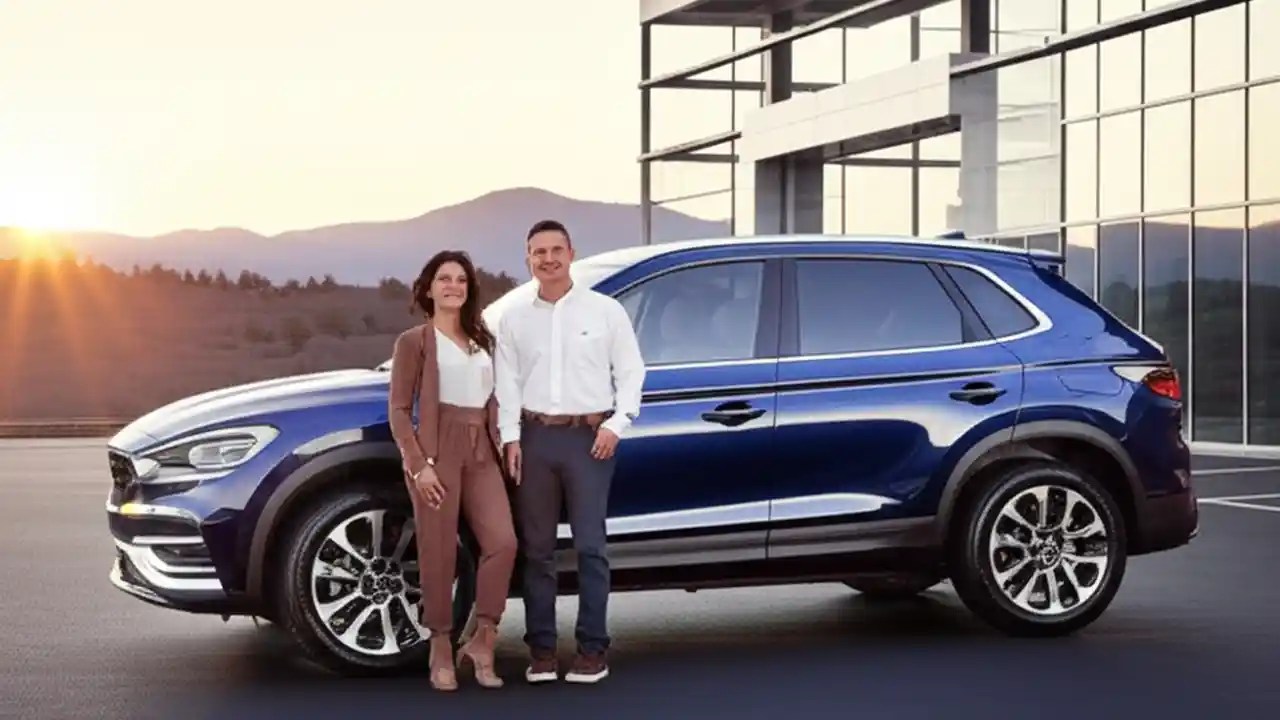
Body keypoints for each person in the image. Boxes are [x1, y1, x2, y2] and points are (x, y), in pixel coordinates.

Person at [494, 219, 645, 684]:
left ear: (571, 253)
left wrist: (618, 424)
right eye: (539, 252)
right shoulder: (514, 319)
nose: (548, 258)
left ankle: (592, 651)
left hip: (590, 441)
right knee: (537, 551)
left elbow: (632, 372)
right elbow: (507, 384)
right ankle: (541, 652)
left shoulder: (605, 311)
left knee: (590, 548)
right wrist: (510, 438)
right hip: (535, 440)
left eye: (556, 249)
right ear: (528, 259)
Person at [388, 249, 518, 692]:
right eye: (444, 279)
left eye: (461, 280)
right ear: (428, 288)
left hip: (482, 445)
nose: (453, 286)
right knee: (438, 548)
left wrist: (508, 439)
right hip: (436, 451)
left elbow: (497, 398)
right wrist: (418, 465)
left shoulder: (482, 340)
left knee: (503, 542)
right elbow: (400, 411)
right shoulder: (414, 342)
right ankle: (440, 643)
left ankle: (484, 638)